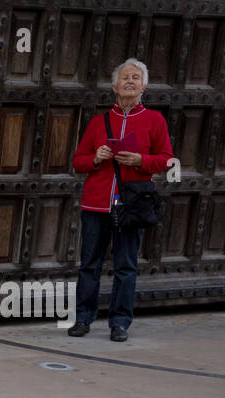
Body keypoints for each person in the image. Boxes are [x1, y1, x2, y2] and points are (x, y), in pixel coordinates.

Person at [68, 58, 174, 342]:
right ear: (114, 87)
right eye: (125, 77)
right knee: (90, 263)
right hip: (96, 203)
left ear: (144, 86)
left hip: (131, 204)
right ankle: (83, 318)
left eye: (136, 77)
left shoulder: (154, 120)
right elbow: (78, 162)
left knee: (126, 266)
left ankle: (120, 323)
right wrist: (95, 158)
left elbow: (166, 160)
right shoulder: (99, 122)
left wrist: (142, 160)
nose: (130, 81)